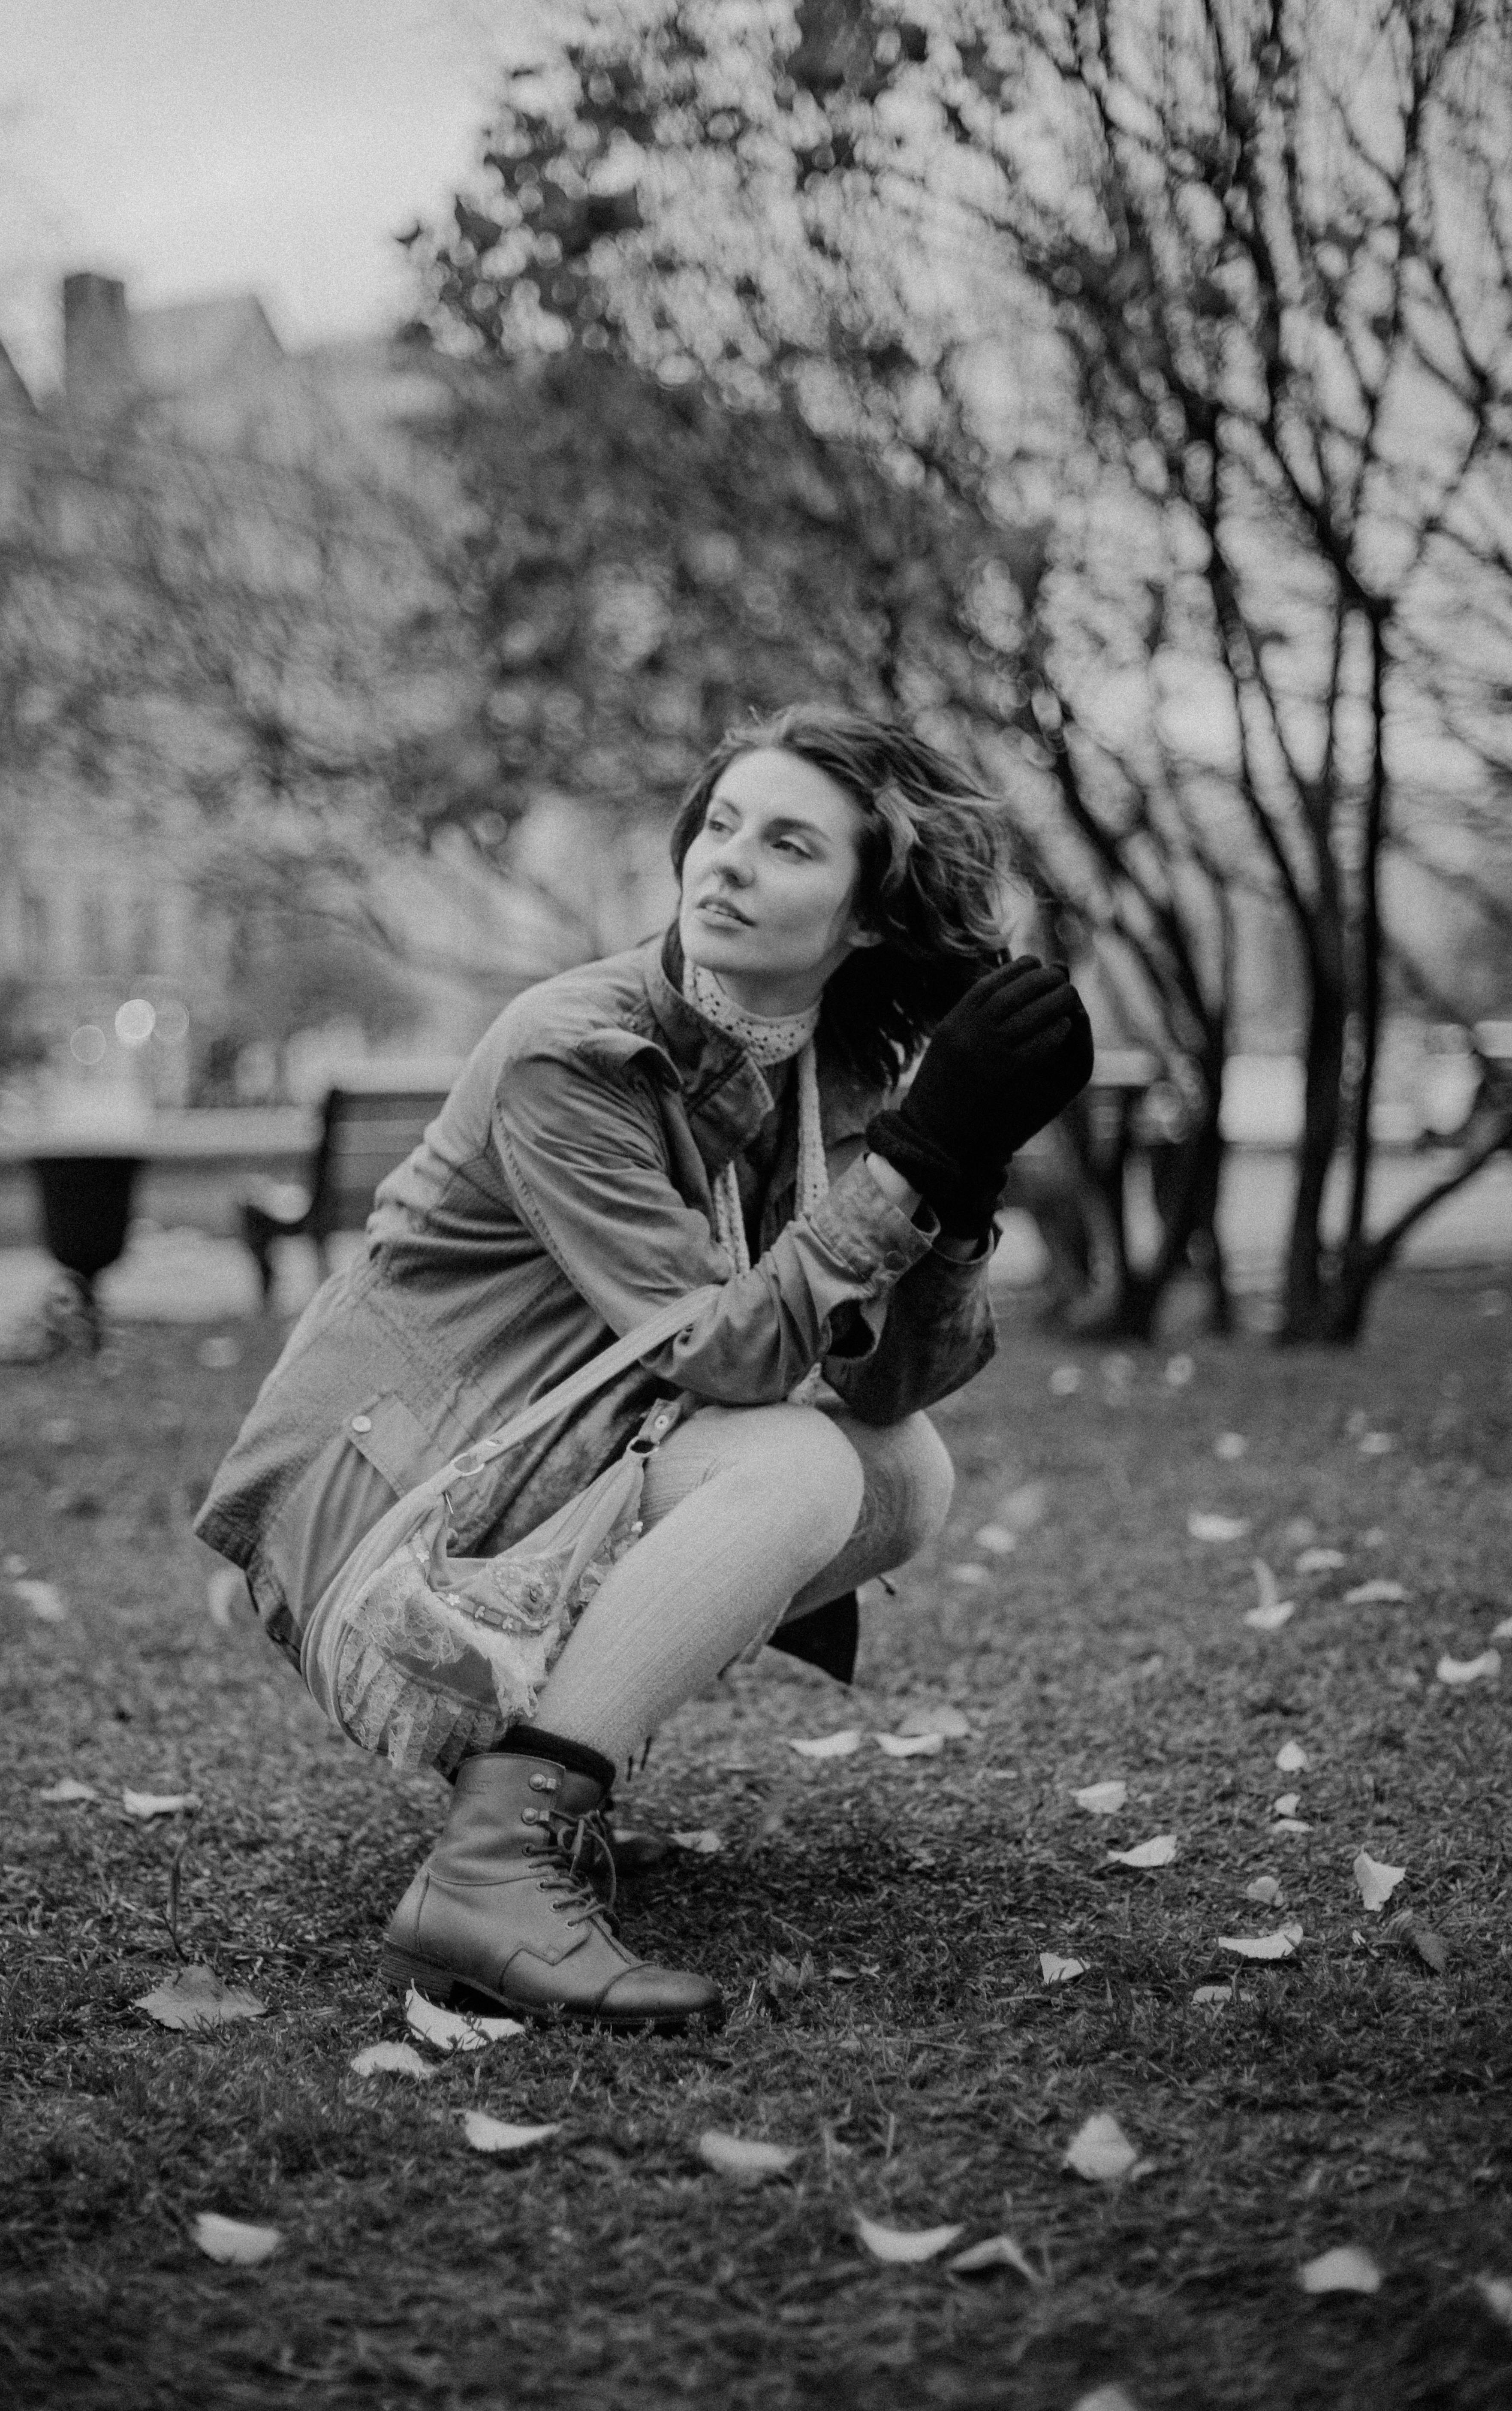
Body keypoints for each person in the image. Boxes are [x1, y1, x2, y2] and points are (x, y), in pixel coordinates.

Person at [196, 705, 1093, 2033]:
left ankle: (540, 1786)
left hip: (541, 1468)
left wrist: (954, 1176)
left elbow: (893, 1388)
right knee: (790, 1464)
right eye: (719, 826)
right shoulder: (581, 1047)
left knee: (903, 1475)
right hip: (382, 1519)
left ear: (864, 917)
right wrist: (911, 1165)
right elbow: (717, 1353)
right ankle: (492, 1872)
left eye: (788, 844)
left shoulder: (832, 1071)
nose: (725, 862)